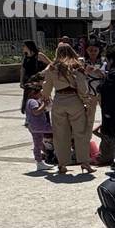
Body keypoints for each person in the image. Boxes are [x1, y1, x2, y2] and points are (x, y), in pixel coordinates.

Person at [44, 45, 95, 175]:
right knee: (80, 132)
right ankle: (84, 162)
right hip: (74, 100)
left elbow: (47, 87)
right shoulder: (76, 66)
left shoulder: (51, 67)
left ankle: (62, 164)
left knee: (60, 133)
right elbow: (82, 86)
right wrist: (86, 101)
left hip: (59, 100)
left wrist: (46, 98)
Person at [25, 82, 53, 172]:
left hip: (35, 127)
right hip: (39, 126)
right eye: (40, 92)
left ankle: (40, 161)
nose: (41, 94)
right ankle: (40, 162)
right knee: (56, 132)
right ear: (34, 93)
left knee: (38, 144)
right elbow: (36, 112)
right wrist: (44, 104)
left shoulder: (29, 101)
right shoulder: (33, 101)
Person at [19, 40, 50, 114]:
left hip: (38, 81)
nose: (23, 48)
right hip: (28, 82)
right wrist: (21, 81)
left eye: (24, 46)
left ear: (29, 46)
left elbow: (50, 64)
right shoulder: (26, 57)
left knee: (40, 98)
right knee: (28, 99)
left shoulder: (39, 55)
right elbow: (23, 70)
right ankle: (30, 117)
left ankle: (44, 115)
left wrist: (43, 72)